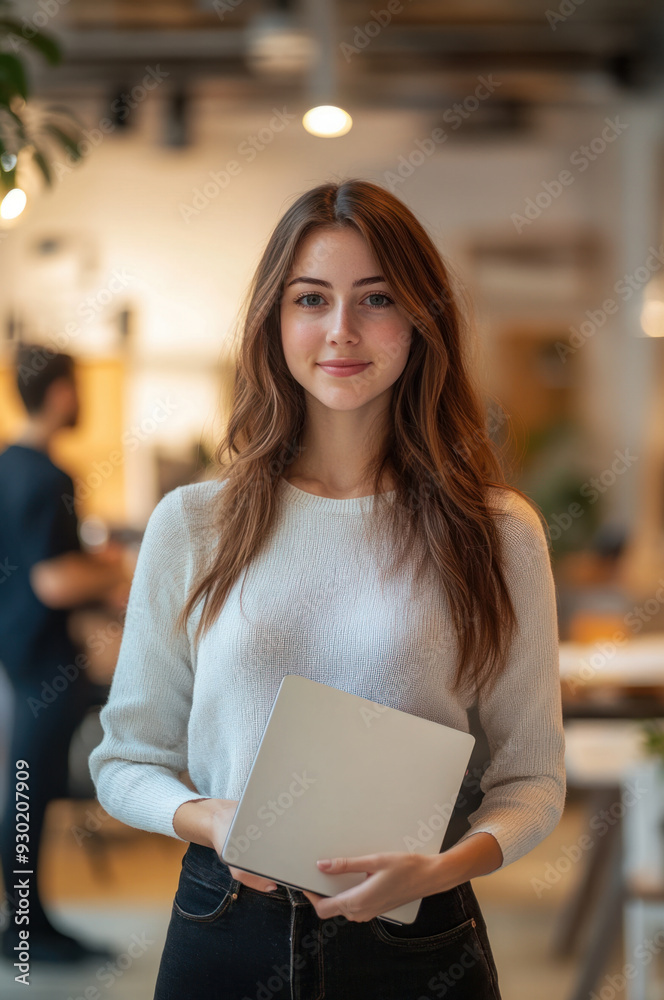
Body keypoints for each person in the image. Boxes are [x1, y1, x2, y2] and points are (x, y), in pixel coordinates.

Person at [89, 179, 566, 999]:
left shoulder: (495, 531)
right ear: (274, 322)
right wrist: (215, 819)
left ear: (421, 321)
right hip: (225, 923)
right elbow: (128, 760)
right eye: (312, 299)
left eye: (376, 299)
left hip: (419, 942)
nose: (341, 331)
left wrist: (441, 867)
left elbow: (531, 782)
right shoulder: (194, 523)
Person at [0, 346, 132, 964]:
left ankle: (29, 925)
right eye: (76, 388)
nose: (80, 400)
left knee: (29, 787)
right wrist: (116, 571)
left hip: (18, 652)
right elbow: (53, 581)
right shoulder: (50, 475)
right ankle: (29, 933)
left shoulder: (7, 466)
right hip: (45, 660)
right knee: (30, 790)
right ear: (58, 394)